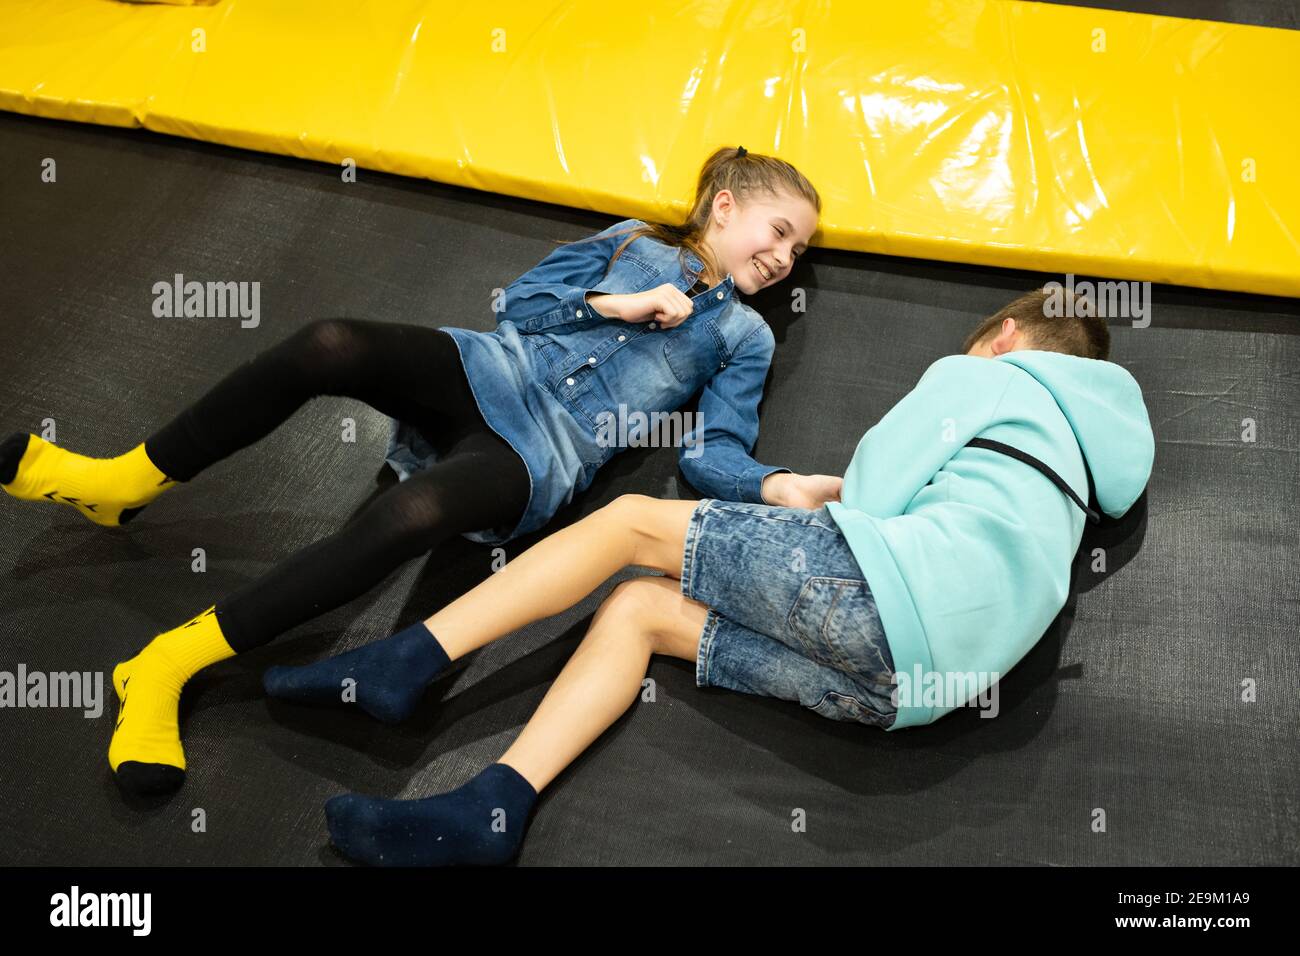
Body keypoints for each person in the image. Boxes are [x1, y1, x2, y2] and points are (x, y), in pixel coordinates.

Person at [0, 146, 822, 797]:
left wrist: (774, 484)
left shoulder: (743, 337)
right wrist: (618, 305)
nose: (787, 256)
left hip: (541, 453)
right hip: (487, 367)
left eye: (800, 248)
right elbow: (520, 305)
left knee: (409, 515)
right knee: (327, 341)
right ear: (725, 205)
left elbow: (713, 452)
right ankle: (124, 483)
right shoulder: (634, 240)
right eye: (779, 230)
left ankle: (168, 662)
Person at [263, 287, 1155, 866]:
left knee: (629, 527)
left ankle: (402, 662)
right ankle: (489, 813)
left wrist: (827, 493)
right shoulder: (1087, 466)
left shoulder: (993, 374)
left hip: (883, 591)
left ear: (1006, 333)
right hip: (920, 690)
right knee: (642, 612)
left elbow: (883, 491)